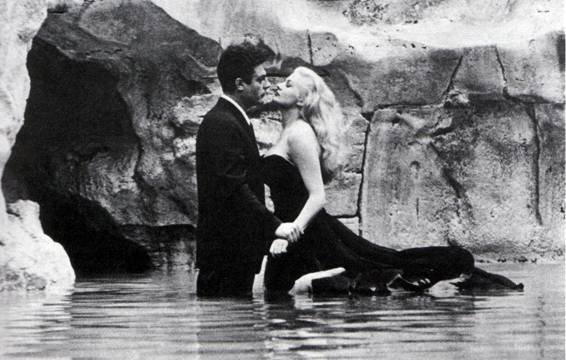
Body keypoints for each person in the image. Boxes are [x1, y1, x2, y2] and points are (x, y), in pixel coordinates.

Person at [261, 66, 523, 295]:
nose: (277, 85)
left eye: (288, 83)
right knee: (376, 263)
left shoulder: (299, 134)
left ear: (303, 98)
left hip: (305, 232)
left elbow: (317, 196)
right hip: (298, 231)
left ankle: (451, 274)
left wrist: (291, 232)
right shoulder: (289, 132)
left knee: (380, 266)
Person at [195, 41, 301, 297]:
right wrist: (275, 226)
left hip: (235, 253)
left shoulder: (232, 119)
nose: (266, 85)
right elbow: (233, 187)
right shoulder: (221, 123)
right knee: (227, 329)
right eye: (260, 79)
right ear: (240, 83)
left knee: (237, 330)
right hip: (225, 256)